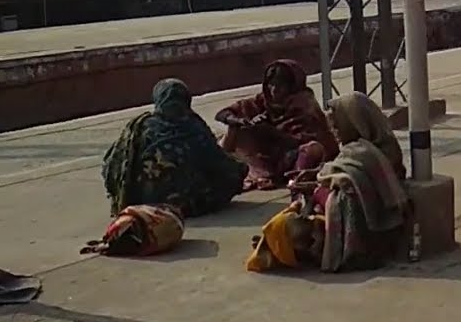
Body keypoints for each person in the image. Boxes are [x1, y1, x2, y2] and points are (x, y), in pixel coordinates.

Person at [249, 92, 409, 274]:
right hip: (361, 225)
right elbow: (341, 172)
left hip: (360, 230)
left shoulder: (361, 151)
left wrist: (316, 188)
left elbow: (348, 186)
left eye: (338, 128)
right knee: (291, 222)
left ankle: (275, 247)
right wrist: (318, 177)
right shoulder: (383, 147)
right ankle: (274, 244)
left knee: (287, 225)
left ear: (354, 123)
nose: (335, 134)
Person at [101, 78, 247, 218]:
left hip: (141, 204)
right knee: (235, 172)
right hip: (188, 204)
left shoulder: (139, 126)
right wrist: (240, 168)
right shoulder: (192, 126)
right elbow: (220, 163)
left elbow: (111, 165)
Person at [217, 59, 339, 192]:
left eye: (280, 86)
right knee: (237, 130)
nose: (274, 90)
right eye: (271, 85)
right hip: (269, 157)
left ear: (291, 86)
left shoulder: (304, 104)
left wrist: (270, 132)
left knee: (311, 150)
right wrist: (239, 121)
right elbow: (224, 114)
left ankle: (296, 180)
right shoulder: (264, 100)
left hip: (294, 156)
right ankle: (255, 173)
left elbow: (305, 140)